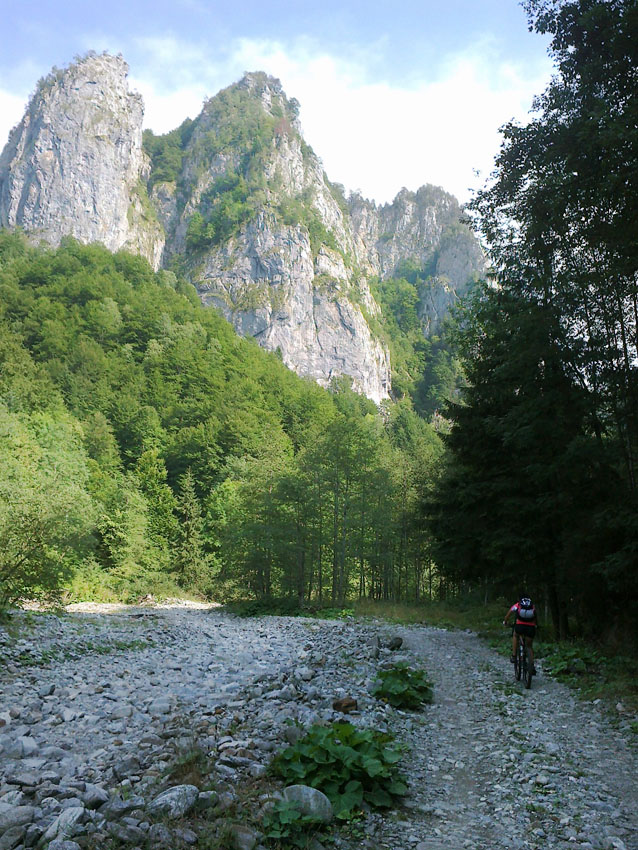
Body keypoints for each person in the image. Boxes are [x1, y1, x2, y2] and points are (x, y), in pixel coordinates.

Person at [504, 595, 537, 674]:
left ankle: (514, 655)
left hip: (520, 626)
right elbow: (535, 616)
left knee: (515, 635)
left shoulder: (518, 604)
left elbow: (509, 612)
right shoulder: (532, 605)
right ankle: (531, 666)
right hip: (531, 628)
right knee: (529, 646)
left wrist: (505, 621)